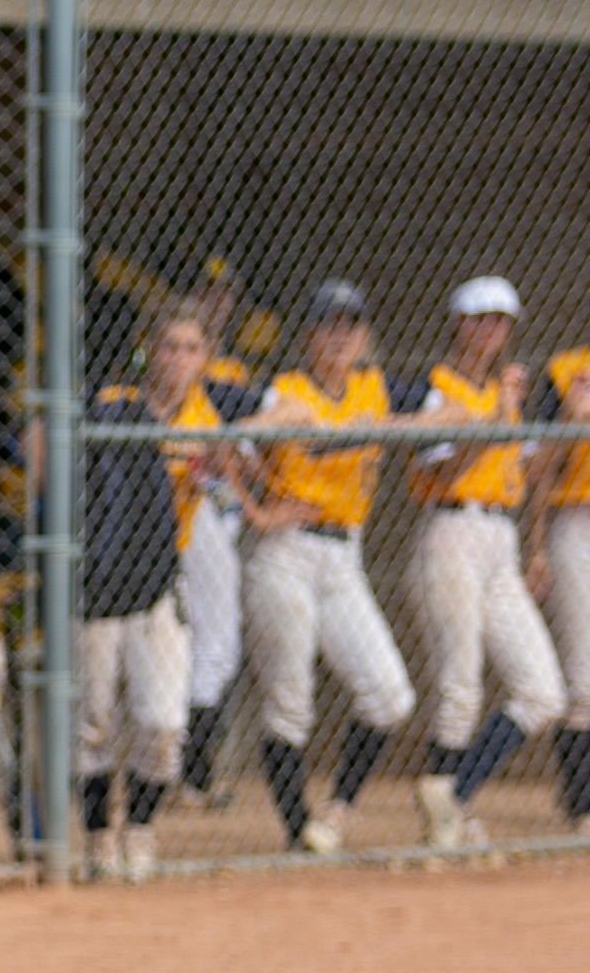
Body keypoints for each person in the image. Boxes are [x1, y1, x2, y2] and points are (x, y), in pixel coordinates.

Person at [73, 302, 256, 879]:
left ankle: (142, 828)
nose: (178, 359)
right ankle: (100, 837)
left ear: (206, 358)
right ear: (148, 349)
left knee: (163, 722)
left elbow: (285, 418)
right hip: (100, 580)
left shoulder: (206, 417)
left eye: (191, 348)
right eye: (169, 345)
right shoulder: (113, 406)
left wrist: (224, 452)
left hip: (160, 577)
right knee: (94, 718)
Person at [240, 281, 417, 854]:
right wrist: (259, 514)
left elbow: (462, 410)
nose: (340, 336)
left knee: (390, 695)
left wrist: (385, 428)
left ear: (365, 334)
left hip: (345, 556)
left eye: (351, 324)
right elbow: (229, 447)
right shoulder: (287, 390)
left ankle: (336, 812)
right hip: (286, 554)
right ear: (309, 335)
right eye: (328, 324)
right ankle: (299, 831)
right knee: (291, 702)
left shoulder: (377, 389)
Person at [387, 277, 563, 849]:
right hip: (450, 530)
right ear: (459, 322)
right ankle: (445, 820)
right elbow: (440, 474)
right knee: (459, 686)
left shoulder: (509, 393)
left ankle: (453, 794)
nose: (493, 330)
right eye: (481, 318)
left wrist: (566, 423)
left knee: (542, 692)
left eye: (502, 321)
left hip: (501, 539)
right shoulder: (433, 391)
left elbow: (530, 472)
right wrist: (494, 420)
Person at [178, 265, 259, 802]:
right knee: (211, 642)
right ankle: (185, 767)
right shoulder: (177, 368)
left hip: (222, 512)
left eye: (227, 293)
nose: (219, 301)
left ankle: (191, 769)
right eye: (208, 292)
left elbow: (246, 460)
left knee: (214, 645)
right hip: (190, 511)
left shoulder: (235, 374)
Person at [528, 338, 590, 829]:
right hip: (576, 522)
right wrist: (537, 544)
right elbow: (536, 468)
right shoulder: (567, 369)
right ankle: (582, 805)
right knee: (583, 672)